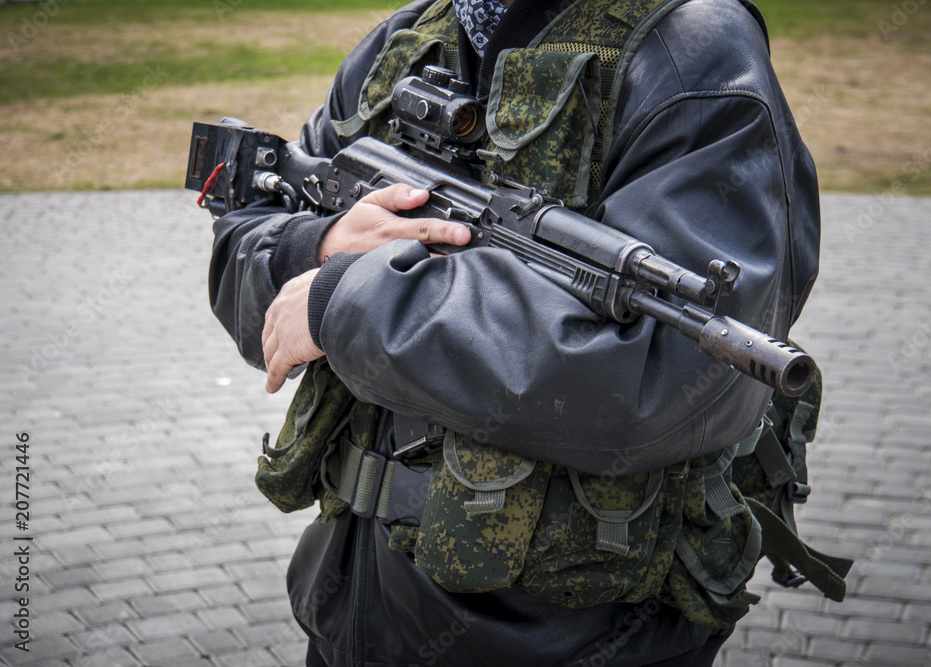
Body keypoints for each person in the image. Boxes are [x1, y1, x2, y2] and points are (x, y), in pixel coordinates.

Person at [207, 0, 821, 664]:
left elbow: (679, 373)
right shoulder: (413, 36)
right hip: (354, 611)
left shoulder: (692, 54)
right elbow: (248, 236)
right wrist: (318, 242)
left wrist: (349, 299)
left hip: (580, 634)